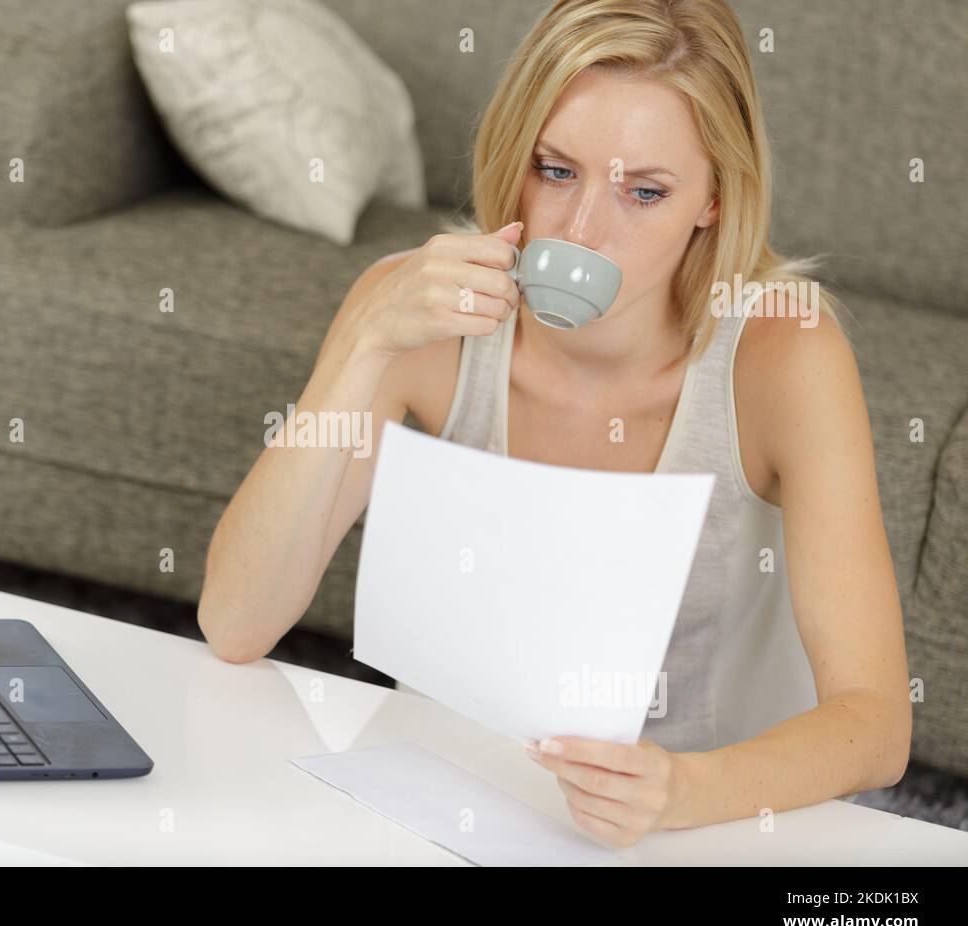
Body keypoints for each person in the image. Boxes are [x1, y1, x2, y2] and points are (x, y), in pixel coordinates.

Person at [197, 0, 910, 848]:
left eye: (644, 191)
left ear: (714, 200)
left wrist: (682, 789)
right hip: (437, 799)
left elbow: (876, 727)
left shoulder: (785, 351)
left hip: (695, 828)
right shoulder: (418, 315)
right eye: (557, 170)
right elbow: (236, 624)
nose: (582, 231)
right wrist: (361, 346)